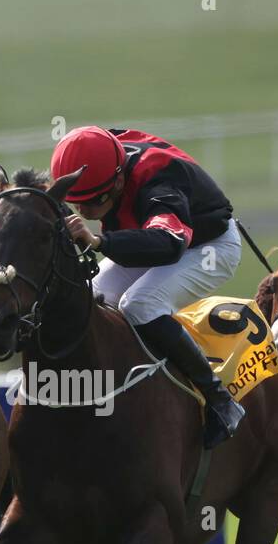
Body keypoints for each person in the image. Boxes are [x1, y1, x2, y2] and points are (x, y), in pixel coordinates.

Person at [51, 125, 245, 448]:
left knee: (139, 304)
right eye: (76, 205)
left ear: (117, 181)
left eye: (92, 203)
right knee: (92, 297)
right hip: (148, 231)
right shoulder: (103, 156)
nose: (83, 213)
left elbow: (170, 243)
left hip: (207, 247)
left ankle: (220, 400)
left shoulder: (157, 183)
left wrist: (100, 241)